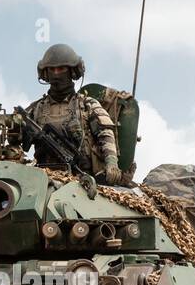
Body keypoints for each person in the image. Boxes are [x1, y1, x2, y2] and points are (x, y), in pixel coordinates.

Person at [21, 44, 123, 185]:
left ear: (73, 71)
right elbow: (16, 140)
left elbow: (105, 133)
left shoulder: (87, 105)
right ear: (45, 73)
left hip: (83, 180)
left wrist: (111, 162)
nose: (56, 73)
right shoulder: (36, 109)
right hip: (43, 181)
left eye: (61, 68)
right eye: (52, 69)